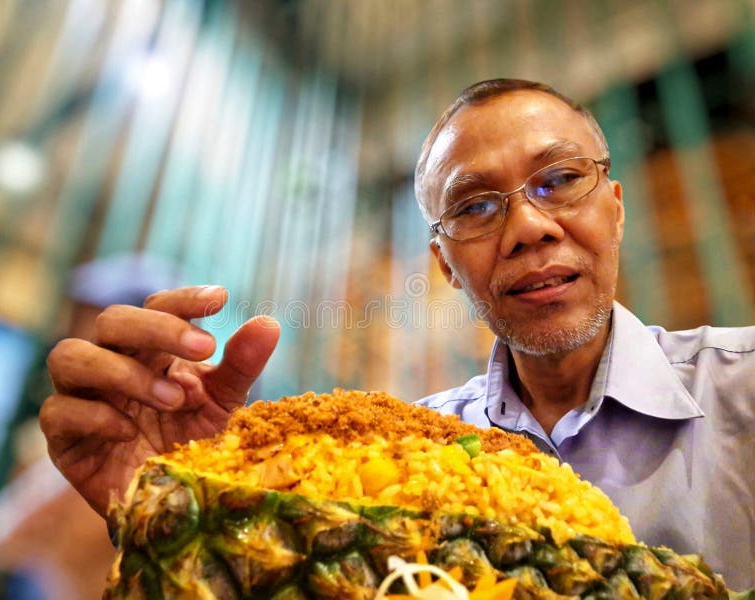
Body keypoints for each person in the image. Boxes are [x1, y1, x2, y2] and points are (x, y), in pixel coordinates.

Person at [40, 79, 755, 589]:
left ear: (617, 209)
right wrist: (191, 513)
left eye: (560, 179)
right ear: (444, 264)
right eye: (474, 207)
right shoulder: (394, 456)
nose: (529, 227)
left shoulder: (743, 395)